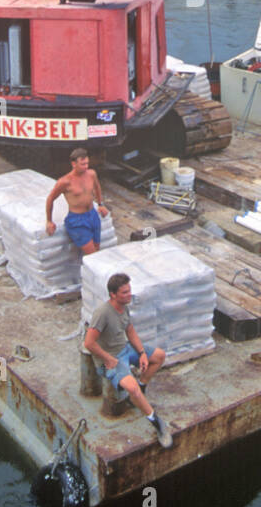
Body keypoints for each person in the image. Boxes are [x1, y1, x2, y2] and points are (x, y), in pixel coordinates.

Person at [84, 272, 172, 447]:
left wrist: (142, 353)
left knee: (159, 356)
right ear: (113, 295)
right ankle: (157, 422)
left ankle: (142, 387)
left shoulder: (124, 307)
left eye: (129, 291)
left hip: (125, 349)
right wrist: (108, 359)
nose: (129, 295)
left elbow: (130, 331)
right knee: (131, 388)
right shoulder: (103, 313)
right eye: (124, 292)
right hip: (111, 360)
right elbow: (88, 343)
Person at [46, 147, 109, 254]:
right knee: (93, 254)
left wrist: (100, 204)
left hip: (92, 215)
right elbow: (50, 199)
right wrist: (49, 221)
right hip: (77, 220)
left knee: (97, 249)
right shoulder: (65, 182)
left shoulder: (91, 174)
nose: (86, 167)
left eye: (87, 163)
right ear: (74, 164)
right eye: (83, 164)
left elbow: (97, 187)